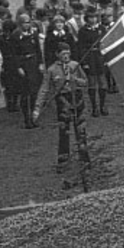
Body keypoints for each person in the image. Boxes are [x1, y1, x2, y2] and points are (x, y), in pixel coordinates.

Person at [32, 43, 91, 172]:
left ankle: (85, 159)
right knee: (64, 131)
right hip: (63, 101)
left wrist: (75, 80)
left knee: (80, 130)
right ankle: (63, 161)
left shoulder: (75, 65)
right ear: (57, 54)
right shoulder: (52, 70)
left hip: (77, 98)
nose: (66, 56)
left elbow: (85, 82)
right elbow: (44, 89)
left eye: (68, 53)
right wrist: (37, 108)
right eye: (63, 54)